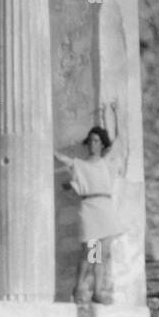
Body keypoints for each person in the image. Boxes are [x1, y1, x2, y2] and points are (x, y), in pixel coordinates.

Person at [54, 116, 125, 305]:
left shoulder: (106, 162)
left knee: (102, 252)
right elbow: (60, 158)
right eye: (91, 140)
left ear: (102, 144)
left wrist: (115, 114)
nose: (93, 144)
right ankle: (78, 288)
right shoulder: (79, 164)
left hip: (105, 207)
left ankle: (98, 291)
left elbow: (119, 140)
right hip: (90, 208)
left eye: (97, 141)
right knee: (90, 252)